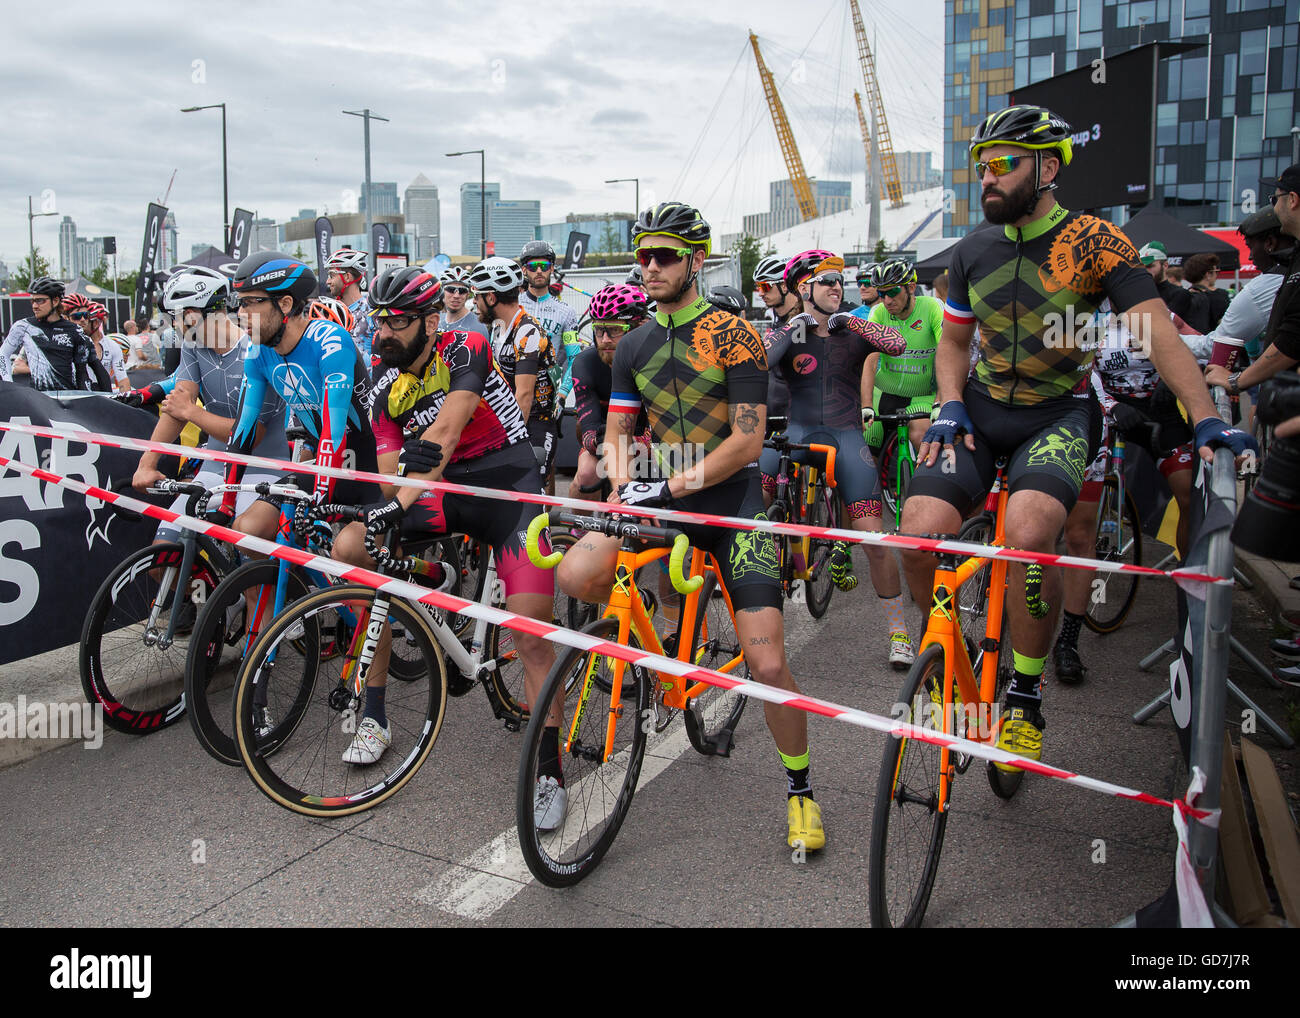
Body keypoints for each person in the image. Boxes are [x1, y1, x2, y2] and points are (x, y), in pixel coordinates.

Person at [901, 104, 1255, 771]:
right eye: (982, 167)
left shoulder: (1095, 242)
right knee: (917, 532)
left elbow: (1156, 332)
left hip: (1056, 413)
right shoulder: (974, 249)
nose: (988, 179)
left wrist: (1205, 414)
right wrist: (948, 403)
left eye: (1003, 164)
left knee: (1031, 536)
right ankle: (942, 645)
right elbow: (954, 342)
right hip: (979, 410)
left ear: (1049, 166)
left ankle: (1025, 696)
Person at [557, 201, 828, 852]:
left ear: (697, 261)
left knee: (765, 662)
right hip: (663, 493)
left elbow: (745, 440)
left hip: (733, 503)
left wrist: (668, 485)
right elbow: (621, 430)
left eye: (665, 256)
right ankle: (651, 629)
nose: (650, 266)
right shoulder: (636, 343)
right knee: (577, 569)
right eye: (643, 255)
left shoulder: (734, 334)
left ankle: (801, 793)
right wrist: (624, 486)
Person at [327, 265, 558, 774]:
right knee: (352, 549)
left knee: (533, 637)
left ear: (430, 323)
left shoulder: (465, 347)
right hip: (441, 491)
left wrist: (404, 485)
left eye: (397, 323)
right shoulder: (384, 384)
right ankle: (376, 715)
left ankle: (548, 769)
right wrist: (388, 500)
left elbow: (447, 436)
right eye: (378, 321)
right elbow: (391, 482)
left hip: (508, 490)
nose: (381, 333)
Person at [760, 249, 913, 665]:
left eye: (839, 281)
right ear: (803, 288)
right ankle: (775, 568)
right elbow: (760, 361)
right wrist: (795, 325)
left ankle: (898, 631)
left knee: (874, 541)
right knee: (758, 493)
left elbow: (896, 344)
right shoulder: (792, 331)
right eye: (826, 280)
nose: (836, 287)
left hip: (846, 437)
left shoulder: (853, 329)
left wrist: (855, 320)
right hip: (797, 433)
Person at [221, 252, 381, 594]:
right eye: (239, 303)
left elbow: (333, 430)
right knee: (246, 530)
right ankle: (303, 605)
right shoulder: (258, 350)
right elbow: (244, 427)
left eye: (251, 303)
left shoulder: (330, 341)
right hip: (324, 462)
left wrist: (319, 497)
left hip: (369, 464)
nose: (239, 314)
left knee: (351, 567)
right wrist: (227, 500)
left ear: (286, 303)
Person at [126, 266, 287, 542]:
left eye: (175, 318)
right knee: (165, 548)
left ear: (194, 314)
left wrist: (192, 412)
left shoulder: (259, 348)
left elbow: (251, 434)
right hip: (215, 468)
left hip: (263, 467)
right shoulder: (193, 346)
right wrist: (147, 463)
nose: (174, 326)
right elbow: (176, 408)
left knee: (246, 548)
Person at [1204, 176, 1300, 396]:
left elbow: (1293, 339)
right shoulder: (1293, 260)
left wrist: (1238, 379)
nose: (1273, 207)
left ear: (1292, 199)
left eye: (1275, 199)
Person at [470, 256, 559, 489]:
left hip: (537, 421)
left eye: (476, 296)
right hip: (511, 417)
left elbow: (524, 396)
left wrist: (508, 443)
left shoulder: (527, 330)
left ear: (491, 297)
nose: (473, 303)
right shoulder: (498, 327)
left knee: (530, 488)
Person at [569, 284, 652, 498]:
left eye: (615, 330)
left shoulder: (655, 360)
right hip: (604, 440)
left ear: (638, 327)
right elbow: (588, 430)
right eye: (599, 329)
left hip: (650, 441)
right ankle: (579, 530)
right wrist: (604, 442)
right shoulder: (585, 363)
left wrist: (635, 443)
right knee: (587, 474)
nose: (605, 339)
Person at [862, 258, 942, 452]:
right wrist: (866, 404)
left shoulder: (931, 307)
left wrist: (941, 400)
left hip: (922, 395)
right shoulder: (879, 312)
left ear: (911, 287)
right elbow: (870, 362)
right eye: (881, 293)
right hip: (884, 392)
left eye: (893, 291)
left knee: (920, 434)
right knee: (869, 440)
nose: (887, 300)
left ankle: (921, 482)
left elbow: (948, 355)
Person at [0, 277, 102, 391]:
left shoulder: (75, 331)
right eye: (32, 301)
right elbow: (3, 354)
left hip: (67, 399)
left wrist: (85, 400)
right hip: (38, 399)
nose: (34, 306)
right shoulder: (22, 326)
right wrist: (9, 386)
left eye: (40, 300)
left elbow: (82, 374)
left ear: (55, 301)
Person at [518, 239, 582, 400]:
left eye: (544, 266)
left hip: (548, 395)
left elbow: (574, 357)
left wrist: (563, 394)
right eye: (533, 267)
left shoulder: (566, 312)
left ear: (552, 268)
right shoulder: (513, 306)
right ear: (524, 270)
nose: (539, 271)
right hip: (514, 392)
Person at [753, 253, 796, 422]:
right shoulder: (777, 323)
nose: (760, 293)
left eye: (765, 286)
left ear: (784, 286)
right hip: (770, 417)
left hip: (793, 419)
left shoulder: (802, 323)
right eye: (758, 287)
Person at [324, 247, 374, 362]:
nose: (328, 281)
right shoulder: (329, 312)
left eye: (332, 276)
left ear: (347, 277)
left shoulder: (370, 311)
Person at [82, 302, 130, 392]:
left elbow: (122, 379)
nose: (81, 324)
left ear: (96, 323)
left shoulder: (112, 346)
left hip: (102, 395)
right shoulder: (76, 342)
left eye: (85, 321)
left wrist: (127, 400)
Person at [1139, 241, 1192, 321]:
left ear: (1165, 265)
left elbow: (1165, 322)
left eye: (1150, 266)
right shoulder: (1140, 292)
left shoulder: (1179, 294)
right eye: (1143, 267)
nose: (1146, 271)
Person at [1182, 253, 1229, 334]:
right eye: (1216, 271)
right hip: (1210, 342)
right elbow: (1226, 326)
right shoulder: (1219, 296)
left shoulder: (1182, 296)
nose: (1216, 275)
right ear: (1208, 274)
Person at [437, 265, 488, 338]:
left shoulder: (479, 327)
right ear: (442, 292)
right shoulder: (436, 320)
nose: (456, 296)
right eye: (451, 289)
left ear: (467, 295)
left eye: (462, 291)